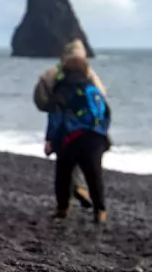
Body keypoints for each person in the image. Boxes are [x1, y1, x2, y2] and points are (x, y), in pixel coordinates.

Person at [33, 38, 107, 209]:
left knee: (65, 162)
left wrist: (53, 107)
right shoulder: (89, 73)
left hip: (64, 124)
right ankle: (91, 200)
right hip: (90, 128)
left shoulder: (50, 74)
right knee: (88, 163)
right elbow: (101, 96)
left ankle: (65, 204)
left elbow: (40, 100)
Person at [44, 55, 111, 224]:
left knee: (63, 174)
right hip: (95, 138)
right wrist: (102, 134)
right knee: (94, 175)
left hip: (71, 138)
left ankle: (63, 209)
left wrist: (50, 140)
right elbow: (106, 113)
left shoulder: (61, 89)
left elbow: (56, 117)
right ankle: (100, 211)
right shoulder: (92, 88)